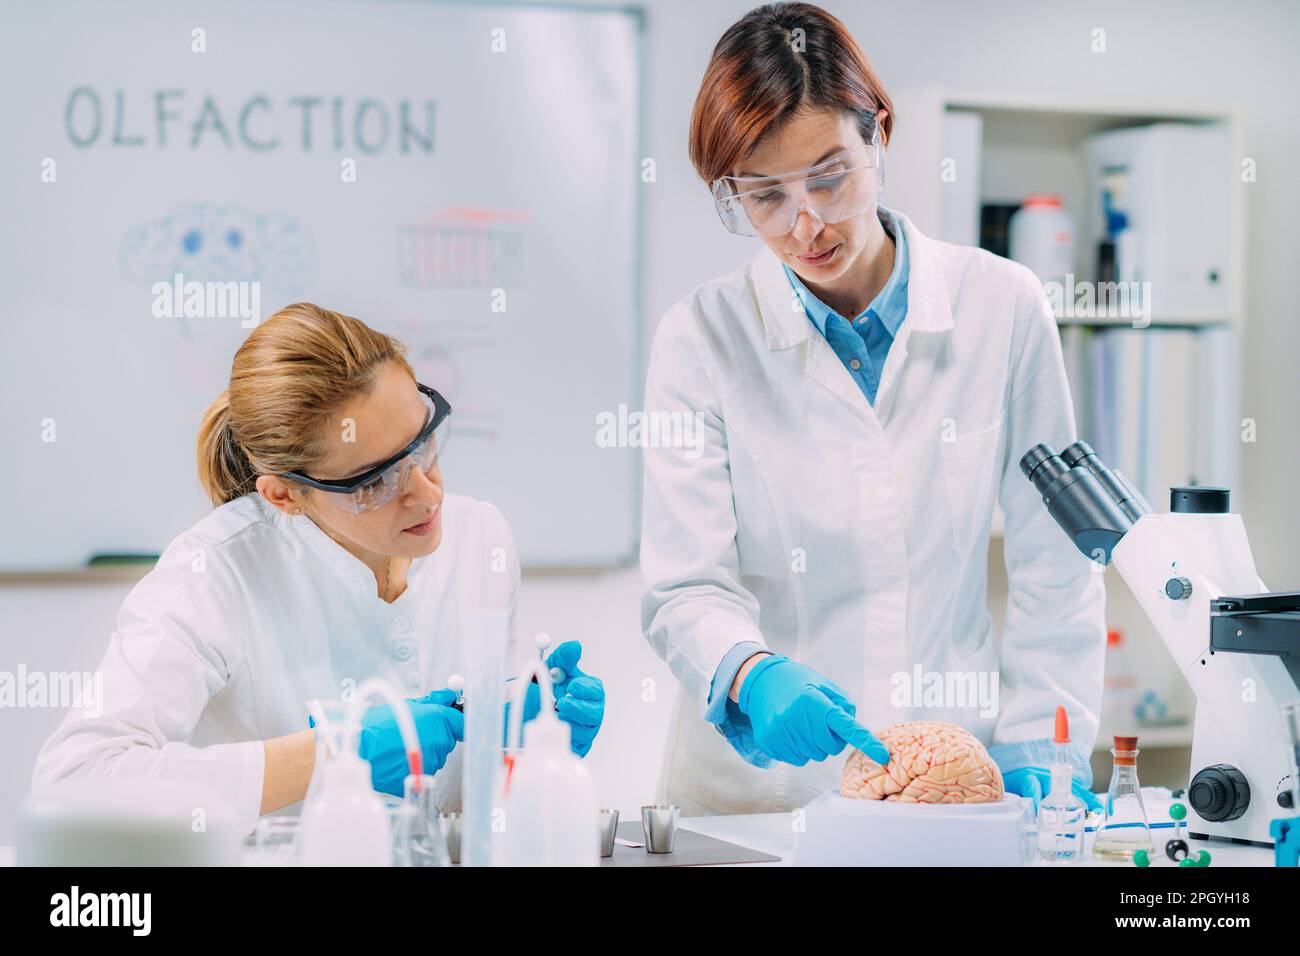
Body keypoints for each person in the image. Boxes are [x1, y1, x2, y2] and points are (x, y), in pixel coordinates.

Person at [640, 3, 1104, 815]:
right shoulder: (700, 338)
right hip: (760, 799)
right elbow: (686, 584)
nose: (806, 224)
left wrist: (1043, 744)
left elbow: (1055, 560)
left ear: (878, 134)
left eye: (829, 177)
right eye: (764, 197)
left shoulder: (1002, 305)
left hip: (948, 779)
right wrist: (750, 672)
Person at [33, 303, 605, 835]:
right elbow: (72, 783)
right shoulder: (212, 573)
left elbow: (468, 813)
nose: (428, 494)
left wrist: (526, 753)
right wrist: (332, 755)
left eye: (424, 442)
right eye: (376, 481)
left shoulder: (480, 539)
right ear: (285, 495)